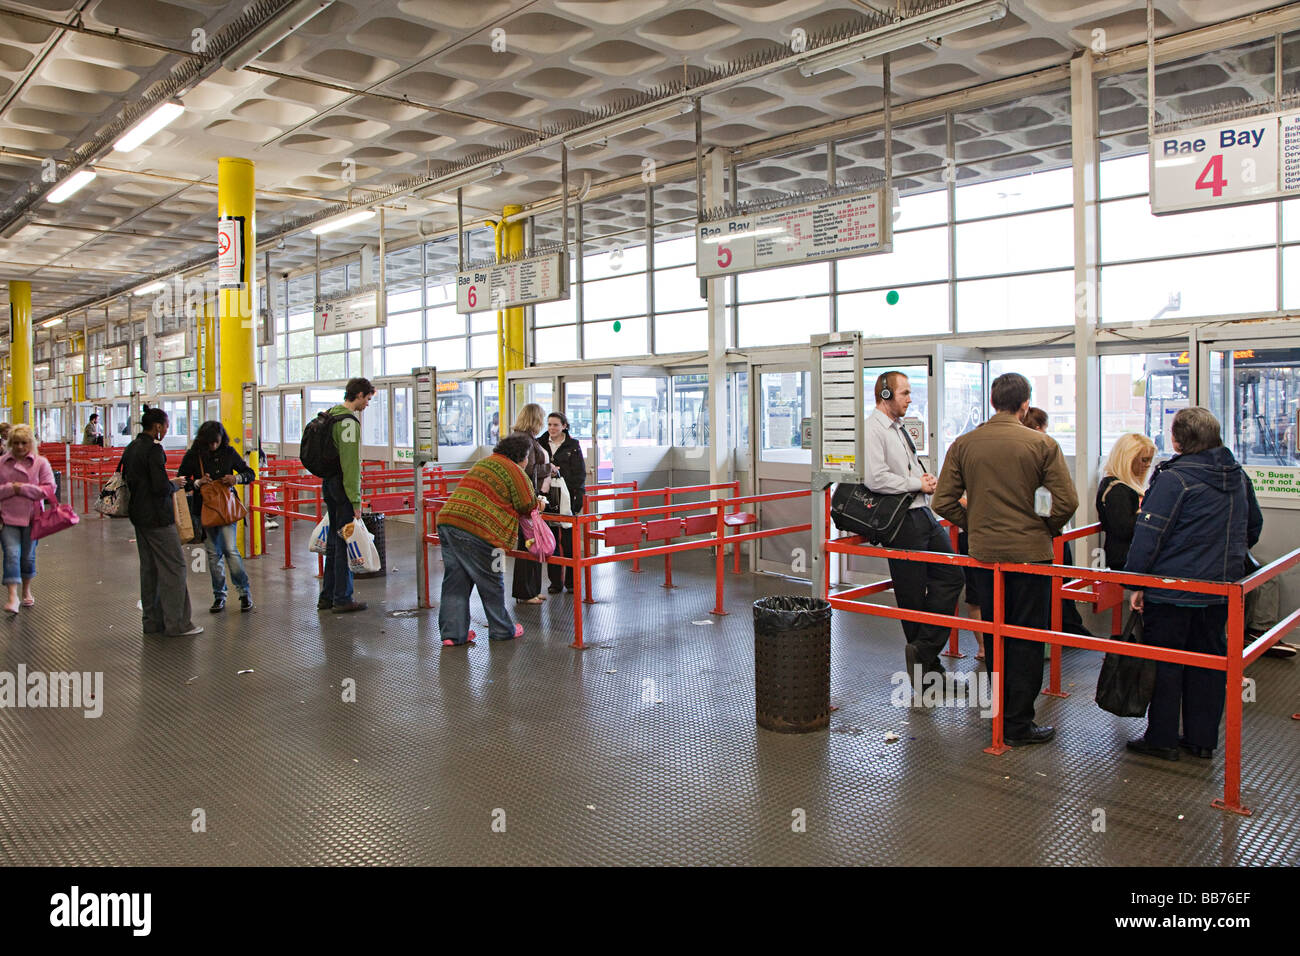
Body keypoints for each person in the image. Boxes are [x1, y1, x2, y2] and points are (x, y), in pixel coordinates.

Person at [933, 372, 1078, 746]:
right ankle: (1018, 723)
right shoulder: (1042, 444)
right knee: (1027, 638)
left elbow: (942, 501)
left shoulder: (964, 444)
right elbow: (1067, 502)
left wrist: (976, 525)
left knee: (996, 633)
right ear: (1025, 404)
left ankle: (998, 714)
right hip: (1031, 557)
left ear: (993, 401)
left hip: (985, 556)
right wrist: (1044, 528)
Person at [1123, 407, 1262, 761]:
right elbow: (1253, 527)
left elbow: (1149, 535)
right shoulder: (1238, 476)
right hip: (1220, 591)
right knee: (1209, 662)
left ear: (1177, 440)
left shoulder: (1174, 479)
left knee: (1166, 662)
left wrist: (1135, 582)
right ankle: (1201, 740)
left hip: (1171, 591)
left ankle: (1162, 739)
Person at [863, 371, 963, 683]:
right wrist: (916, 483)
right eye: (904, 393)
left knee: (953, 574)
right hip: (901, 520)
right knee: (912, 594)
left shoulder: (899, 428)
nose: (909, 398)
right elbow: (875, 478)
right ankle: (926, 671)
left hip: (921, 512)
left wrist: (923, 480)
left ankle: (923, 649)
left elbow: (904, 471)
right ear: (885, 395)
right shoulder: (872, 430)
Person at [436, 434, 549, 646]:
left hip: (449, 522)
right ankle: (502, 629)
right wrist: (540, 504)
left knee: (455, 581)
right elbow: (527, 504)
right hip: (482, 531)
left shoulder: (484, 462)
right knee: (492, 581)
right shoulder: (515, 471)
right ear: (522, 456)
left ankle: (453, 634)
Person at [120, 408, 202, 637]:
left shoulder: (132, 447)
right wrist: (173, 484)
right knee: (175, 567)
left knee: (150, 569)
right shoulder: (154, 450)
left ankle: (152, 622)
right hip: (158, 518)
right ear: (157, 426)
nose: (166, 430)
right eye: (166, 426)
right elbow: (159, 487)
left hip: (139, 516)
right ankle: (178, 623)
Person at [1020, 406, 1093, 638]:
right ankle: (1063, 627)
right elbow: (1067, 499)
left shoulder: (1018, 454)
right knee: (1059, 579)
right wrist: (1053, 527)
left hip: (1032, 530)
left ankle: (1057, 626)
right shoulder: (1046, 450)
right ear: (1039, 427)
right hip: (1049, 529)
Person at [178, 421, 256, 614]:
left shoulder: (229, 452)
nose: (213, 446)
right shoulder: (194, 455)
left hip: (227, 510)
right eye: (210, 443)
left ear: (222, 439)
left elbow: (250, 473)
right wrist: (198, 483)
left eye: (216, 442)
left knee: (231, 550)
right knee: (213, 555)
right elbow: (181, 480)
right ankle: (219, 595)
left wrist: (235, 478)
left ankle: (244, 593)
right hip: (204, 511)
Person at [318, 378, 374, 614]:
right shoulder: (348, 423)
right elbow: (350, 465)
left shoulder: (331, 414)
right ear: (359, 395)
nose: (367, 404)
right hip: (342, 489)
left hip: (328, 483)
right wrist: (355, 500)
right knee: (345, 540)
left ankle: (327, 596)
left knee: (333, 540)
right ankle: (342, 598)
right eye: (367, 399)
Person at [0, 424, 56, 614]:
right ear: (10, 443)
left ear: (31, 443)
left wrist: (22, 489)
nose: (20, 447)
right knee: (11, 554)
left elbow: (49, 489)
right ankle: (12, 596)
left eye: (24, 443)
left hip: (33, 518)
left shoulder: (41, 463)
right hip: (7, 517)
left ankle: (26, 590)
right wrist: (11, 489)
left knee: (27, 557)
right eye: (16, 443)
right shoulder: (1, 463)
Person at [509, 403, 551, 605]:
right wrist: (550, 468)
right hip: (527, 496)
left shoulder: (518, 437)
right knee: (530, 542)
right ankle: (526, 592)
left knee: (530, 542)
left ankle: (531, 589)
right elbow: (528, 470)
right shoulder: (526, 440)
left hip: (523, 495)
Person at [1096, 433, 1156, 574]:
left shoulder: (1120, 486)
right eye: (1144, 460)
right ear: (1128, 459)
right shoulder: (1117, 490)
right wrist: (1149, 515)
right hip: (1124, 560)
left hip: (1129, 556)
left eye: (1150, 460)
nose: (1148, 465)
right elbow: (1123, 529)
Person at [543, 411, 586, 594]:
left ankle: (571, 582)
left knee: (569, 541)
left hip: (567, 497)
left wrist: (578, 498)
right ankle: (555, 582)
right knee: (550, 539)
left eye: (555, 425)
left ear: (564, 426)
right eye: (549, 424)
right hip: (547, 497)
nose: (552, 428)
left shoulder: (573, 445)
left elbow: (580, 474)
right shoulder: (540, 443)